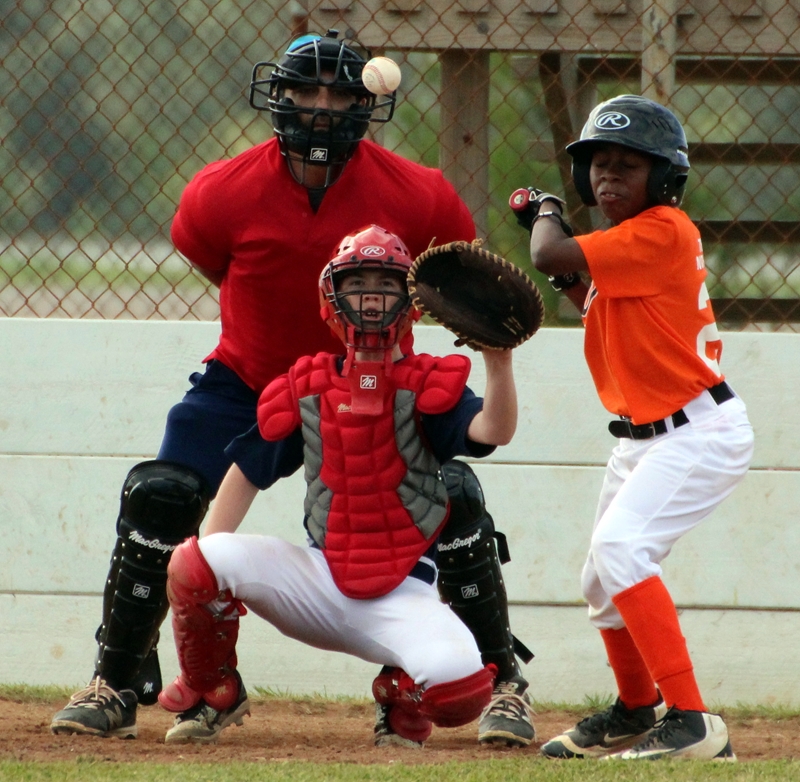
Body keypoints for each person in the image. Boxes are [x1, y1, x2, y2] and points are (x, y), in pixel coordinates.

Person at [49, 30, 533, 747]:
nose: (320, 107)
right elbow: (219, 263)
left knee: (454, 496)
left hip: (377, 384)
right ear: (278, 98)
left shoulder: (420, 192)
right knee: (162, 493)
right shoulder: (221, 190)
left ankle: (502, 683)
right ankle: (119, 681)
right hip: (247, 379)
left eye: (339, 94)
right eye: (305, 91)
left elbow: (445, 274)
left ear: (366, 106)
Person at [156, 225, 518, 747]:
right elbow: (247, 473)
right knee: (194, 560)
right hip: (316, 581)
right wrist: (206, 572)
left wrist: (498, 361)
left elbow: (494, 431)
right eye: (358, 282)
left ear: (410, 301)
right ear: (331, 297)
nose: (371, 296)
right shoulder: (307, 386)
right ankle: (213, 689)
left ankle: (400, 691)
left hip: (404, 594)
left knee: (462, 691)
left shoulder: (426, 380)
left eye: (386, 284)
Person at [523, 94, 754, 761]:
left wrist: (542, 212)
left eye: (628, 165)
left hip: (697, 432)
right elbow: (584, 294)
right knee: (601, 579)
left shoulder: (663, 229)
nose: (607, 177)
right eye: (597, 164)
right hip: (642, 438)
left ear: (664, 180)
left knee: (623, 551)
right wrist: (552, 249)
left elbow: (549, 252)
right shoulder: (627, 250)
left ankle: (692, 722)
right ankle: (634, 707)